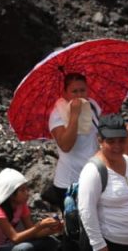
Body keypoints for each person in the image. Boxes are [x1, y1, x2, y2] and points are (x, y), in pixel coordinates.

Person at [78, 114, 128, 251]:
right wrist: (99, 245)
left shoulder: (127, 160)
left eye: (122, 140)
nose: (117, 146)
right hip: (108, 244)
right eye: (111, 141)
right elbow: (86, 210)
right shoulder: (93, 171)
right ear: (100, 140)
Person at [47, 72, 101, 206]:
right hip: (70, 182)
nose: (79, 95)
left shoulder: (92, 106)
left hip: (94, 175)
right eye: (74, 91)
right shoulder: (58, 114)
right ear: (65, 93)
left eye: (82, 90)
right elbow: (65, 145)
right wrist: (74, 115)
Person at [0, 169, 62, 251]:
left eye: (26, 189)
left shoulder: (22, 206)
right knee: (24, 248)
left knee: (51, 242)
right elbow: (15, 238)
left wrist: (54, 230)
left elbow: (34, 233)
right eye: (22, 190)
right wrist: (40, 226)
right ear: (10, 194)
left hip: (11, 245)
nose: (27, 193)